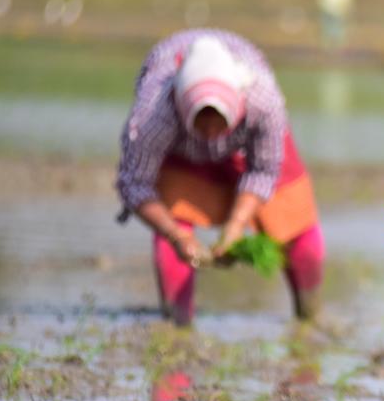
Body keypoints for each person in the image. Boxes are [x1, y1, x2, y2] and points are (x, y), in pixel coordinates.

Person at [116, 29, 324, 326]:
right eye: (204, 124)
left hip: (248, 135)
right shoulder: (154, 115)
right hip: (180, 145)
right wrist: (177, 235)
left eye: (219, 123)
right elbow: (134, 183)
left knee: (293, 218)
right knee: (175, 217)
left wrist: (236, 226)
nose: (213, 136)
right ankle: (177, 323)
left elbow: (264, 170)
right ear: (185, 109)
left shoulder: (262, 100)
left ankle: (309, 316)